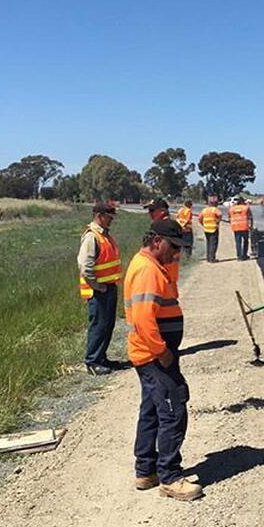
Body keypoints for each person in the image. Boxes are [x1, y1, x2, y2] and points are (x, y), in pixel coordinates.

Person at [126, 218, 203, 501]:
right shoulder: (147, 270)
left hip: (147, 354)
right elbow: (145, 320)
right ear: (156, 241)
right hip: (154, 355)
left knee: (151, 410)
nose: (176, 254)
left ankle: (146, 470)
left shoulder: (149, 265)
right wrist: (163, 352)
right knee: (173, 410)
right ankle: (170, 476)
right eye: (173, 247)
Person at [77, 201, 123, 376]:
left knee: (107, 325)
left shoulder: (105, 235)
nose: (111, 220)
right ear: (99, 216)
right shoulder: (92, 237)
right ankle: (92, 362)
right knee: (98, 326)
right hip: (99, 291)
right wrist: (97, 286)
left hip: (109, 287)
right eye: (109, 217)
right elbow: (85, 266)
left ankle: (102, 357)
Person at [145, 197, 180, 283]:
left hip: (164, 275)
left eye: (152, 210)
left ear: (162, 211)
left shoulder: (162, 228)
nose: (149, 213)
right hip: (169, 276)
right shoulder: (173, 226)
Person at [198, 196, 222, 262]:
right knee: (213, 244)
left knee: (208, 244)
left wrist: (203, 224)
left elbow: (199, 218)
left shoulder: (204, 210)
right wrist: (218, 221)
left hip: (206, 228)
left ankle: (208, 258)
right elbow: (220, 214)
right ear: (214, 204)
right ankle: (212, 258)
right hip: (213, 228)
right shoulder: (215, 209)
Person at [229, 195, 253, 260]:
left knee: (238, 242)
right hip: (244, 226)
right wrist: (251, 226)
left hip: (235, 227)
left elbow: (229, 217)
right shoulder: (246, 208)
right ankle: (244, 255)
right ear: (243, 202)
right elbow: (250, 217)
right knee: (245, 241)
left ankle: (239, 256)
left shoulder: (232, 208)